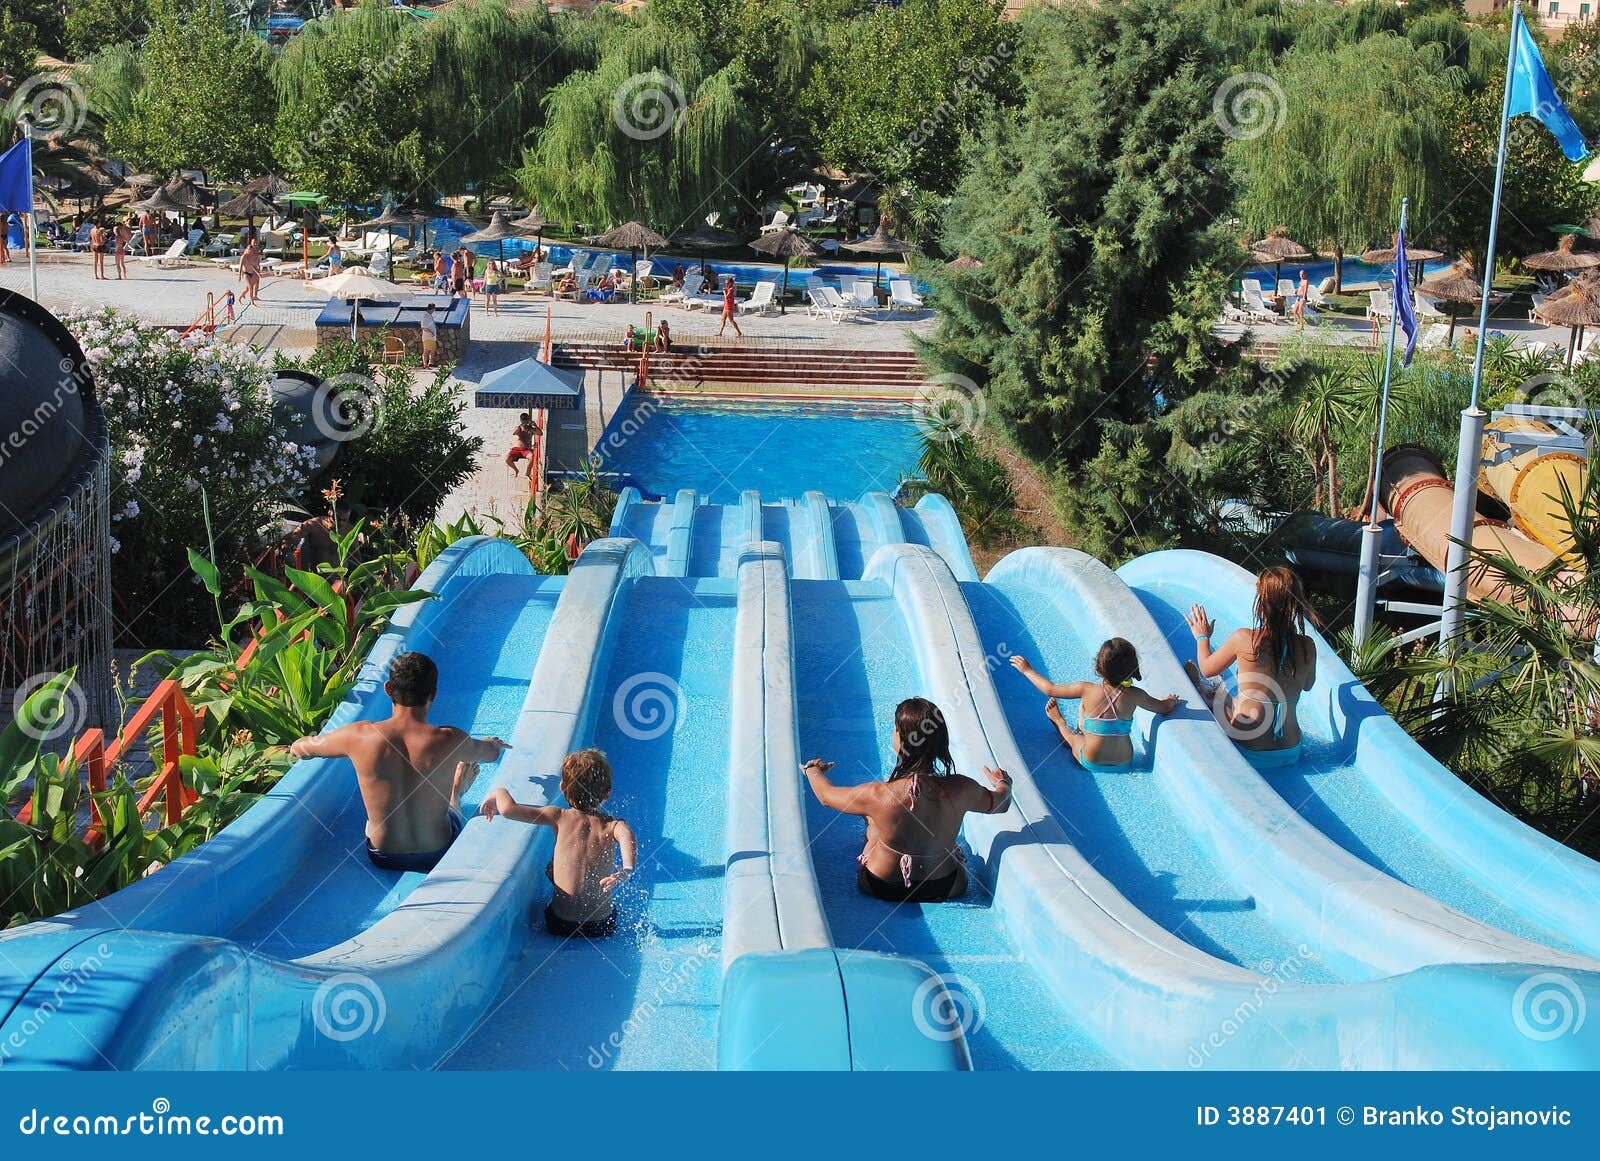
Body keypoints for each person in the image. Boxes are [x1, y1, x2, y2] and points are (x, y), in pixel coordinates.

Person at [288, 651, 509, 871]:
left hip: (383, 856)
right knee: (451, 804)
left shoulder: (358, 736)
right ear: (433, 694)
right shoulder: (450, 739)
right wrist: (492, 743)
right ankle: (456, 794)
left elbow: (304, 748)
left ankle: (453, 793)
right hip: (438, 851)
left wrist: (298, 745)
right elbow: (491, 754)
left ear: (388, 689)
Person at [802, 697, 1012, 903]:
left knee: (874, 826)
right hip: (946, 886)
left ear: (901, 738)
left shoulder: (877, 795)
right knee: (947, 842)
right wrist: (1003, 782)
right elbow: (1001, 803)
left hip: (880, 885)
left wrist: (813, 771)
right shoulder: (962, 788)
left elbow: (825, 796)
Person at [480, 749, 637, 939]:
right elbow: (627, 837)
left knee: (553, 867)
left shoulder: (558, 816)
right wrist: (626, 870)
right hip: (600, 926)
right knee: (557, 869)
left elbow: (508, 810)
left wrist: (498, 791)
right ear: (608, 793)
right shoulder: (614, 825)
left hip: (561, 924)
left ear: (563, 787)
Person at [1184, 566, 1317, 769]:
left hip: (1250, 747)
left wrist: (1202, 637)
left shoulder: (1245, 639)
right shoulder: (1307, 645)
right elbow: (1308, 685)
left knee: (1218, 694)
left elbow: (1207, 668)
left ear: (1262, 604)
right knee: (1235, 699)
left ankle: (1206, 690)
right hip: (1291, 749)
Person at [1010, 640, 1179, 773]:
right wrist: (1170, 701)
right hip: (1124, 763)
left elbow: (1050, 689)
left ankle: (1060, 722)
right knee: (1098, 719)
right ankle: (1085, 727)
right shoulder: (1136, 695)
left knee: (1074, 738)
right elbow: (1164, 708)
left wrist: (1027, 670)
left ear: (1098, 667)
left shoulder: (1086, 689)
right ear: (1133, 668)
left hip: (1090, 761)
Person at [505, 411, 540, 476]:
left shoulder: (531, 429)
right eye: (524, 420)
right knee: (507, 459)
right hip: (516, 449)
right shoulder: (518, 428)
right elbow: (513, 433)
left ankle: (527, 473)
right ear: (521, 420)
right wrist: (521, 426)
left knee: (532, 457)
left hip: (526, 450)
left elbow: (540, 433)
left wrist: (535, 426)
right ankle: (516, 470)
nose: (525, 422)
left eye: (526, 420)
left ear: (528, 420)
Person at [238, 235, 262, 305]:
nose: (255, 244)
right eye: (253, 242)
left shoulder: (256, 250)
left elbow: (253, 265)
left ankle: (243, 296)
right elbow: (241, 266)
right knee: (250, 287)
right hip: (246, 273)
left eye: (255, 243)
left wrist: (258, 272)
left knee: (248, 288)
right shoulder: (245, 255)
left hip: (253, 270)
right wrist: (239, 275)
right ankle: (252, 302)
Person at [419, 302, 439, 368]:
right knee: (426, 350)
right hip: (428, 336)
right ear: (432, 309)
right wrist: (431, 332)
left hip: (431, 337)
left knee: (432, 350)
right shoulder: (425, 316)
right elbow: (424, 327)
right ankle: (425, 364)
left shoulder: (429, 315)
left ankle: (431, 362)